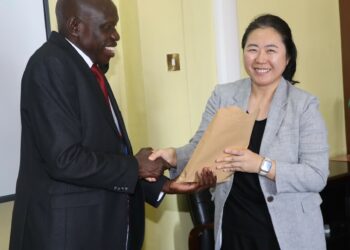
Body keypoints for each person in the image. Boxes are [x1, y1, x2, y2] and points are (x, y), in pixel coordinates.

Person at [9, 0, 216, 249]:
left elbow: (106, 152)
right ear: (75, 26)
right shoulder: (50, 65)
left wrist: (163, 185)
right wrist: (135, 167)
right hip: (67, 236)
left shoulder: (88, 68)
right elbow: (65, 159)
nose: (116, 36)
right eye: (107, 27)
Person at [150, 14, 329, 250]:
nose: (260, 59)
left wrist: (261, 165)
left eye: (271, 50)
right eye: (252, 49)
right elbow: (200, 147)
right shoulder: (224, 96)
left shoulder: (303, 106)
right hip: (235, 228)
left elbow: (316, 175)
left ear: (287, 57)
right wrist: (173, 155)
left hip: (288, 234)